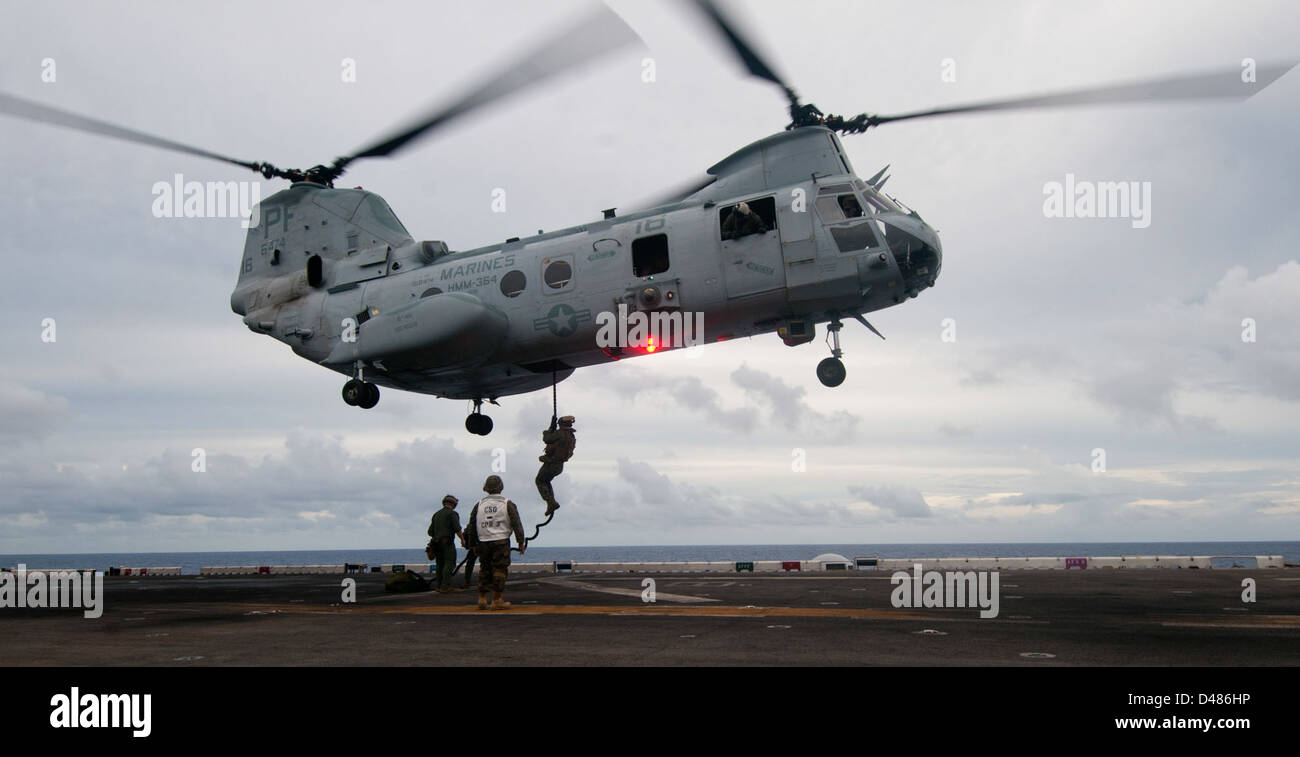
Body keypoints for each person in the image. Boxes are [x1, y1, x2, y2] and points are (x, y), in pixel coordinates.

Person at [464, 475, 526, 610]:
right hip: (501, 541)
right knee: (500, 569)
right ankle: (497, 599)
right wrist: (521, 541)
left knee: (484, 569)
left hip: (483, 541)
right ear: (501, 487)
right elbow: (516, 523)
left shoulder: (479, 505)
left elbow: (472, 525)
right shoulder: (507, 503)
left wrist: (472, 543)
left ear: (486, 487)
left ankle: (482, 598)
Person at [535, 415, 576, 517]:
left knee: (540, 481)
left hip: (551, 464)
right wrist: (552, 426)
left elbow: (547, 438)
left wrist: (548, 430)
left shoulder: (560, 434)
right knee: (546, 481)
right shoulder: (570, 436)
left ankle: (551, 502)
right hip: (559, 466)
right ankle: (551, 502)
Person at [427, 494, 463, 593]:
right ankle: (445, 587)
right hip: (447, 543)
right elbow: (457, 529)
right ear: (453, 504)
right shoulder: (452, 514)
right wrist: (463, 540)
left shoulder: (436, 514)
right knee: (449, 563)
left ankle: (438, 586)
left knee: (440, 564)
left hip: (436, 543)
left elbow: (430, 532)